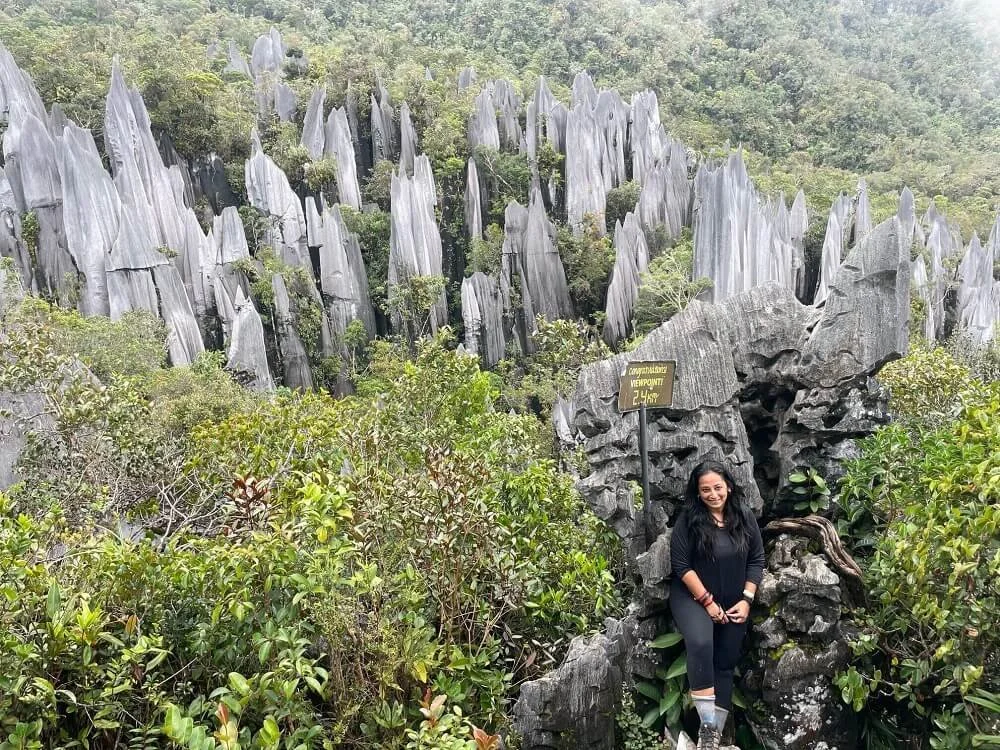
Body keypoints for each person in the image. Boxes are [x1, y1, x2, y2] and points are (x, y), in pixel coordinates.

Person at [669, 461, 765, 750]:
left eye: (718, 488)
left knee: (725, 663)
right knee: (700, 643)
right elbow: (681, 566)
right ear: (698, 493)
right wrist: (708, 602)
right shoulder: (689, 519)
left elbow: (757, 560)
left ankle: (709, 738)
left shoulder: (744, 517)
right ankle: (706, 727)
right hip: (693, 598)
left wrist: (747, 600)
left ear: (729, 487)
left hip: (736, 602)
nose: (713, 494)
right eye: (705, 489)